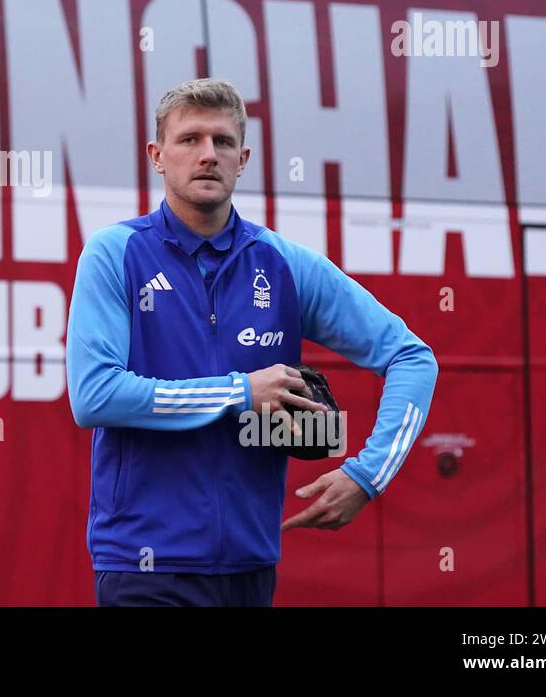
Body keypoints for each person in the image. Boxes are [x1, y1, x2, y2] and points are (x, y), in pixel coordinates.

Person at [66, 77, 438, 607]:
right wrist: (240, 391)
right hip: (144, 564)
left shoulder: (284, 264)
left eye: (221, 142)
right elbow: (94, 395)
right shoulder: (115, 253)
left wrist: (367, 475)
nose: (206, 155)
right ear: (157, 155)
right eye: (189, 139)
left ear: (242, 159)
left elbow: (411, 356)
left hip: (250, 564)